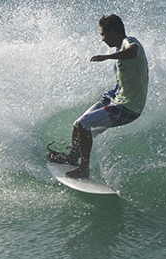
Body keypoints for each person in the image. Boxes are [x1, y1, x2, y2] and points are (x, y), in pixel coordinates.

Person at [51, 14, 147, 179]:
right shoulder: (119, 47)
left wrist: (107, 57)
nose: (102, 39)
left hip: (128, 107)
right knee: (78, 125)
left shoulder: (129, 43)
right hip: (115, 97)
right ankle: (73, 158)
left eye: (103, 34)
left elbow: (133, 52)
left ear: (114, 33)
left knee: (84, 124)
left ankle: (84, 168)